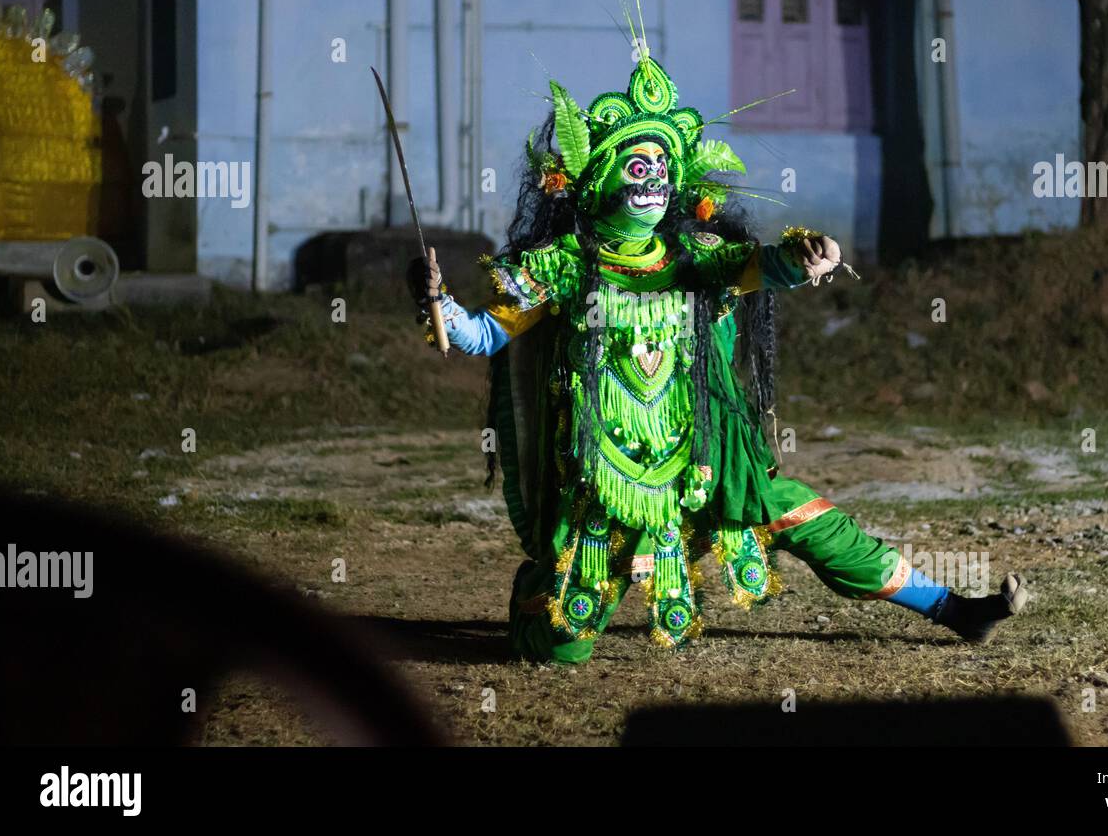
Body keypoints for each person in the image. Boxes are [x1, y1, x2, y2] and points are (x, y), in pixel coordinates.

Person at [408, 52, 1027, 663]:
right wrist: (437, 301)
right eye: (635, 164)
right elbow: (480, 336)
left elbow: (764, 267)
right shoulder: (565, 265)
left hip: (704, 473)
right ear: (597, 180)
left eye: (660, 165)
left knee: (809, 520)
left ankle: (956, 610)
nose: (651, 178)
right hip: (606, 494)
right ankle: (532, 599)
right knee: (562, 649)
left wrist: (810, 254)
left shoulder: (697, 257)